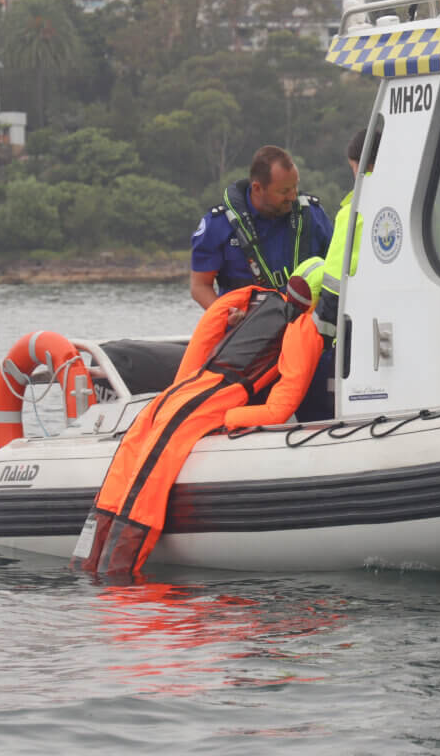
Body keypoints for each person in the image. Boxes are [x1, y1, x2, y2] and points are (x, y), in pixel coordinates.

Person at [72, 275, 328, 581]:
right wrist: (230, 418)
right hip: (217, 395)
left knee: (128, 462)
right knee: (151, 477)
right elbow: (280, 408)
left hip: (182, 391)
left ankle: (89, 566)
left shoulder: (253, 299)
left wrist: (182, 386)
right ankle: (118, 575)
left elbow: (208, 328)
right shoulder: (301, 327)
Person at [292, 128, 378, 422]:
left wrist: (320, 345)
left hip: (356, 336)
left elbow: (334, 285)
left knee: (318, 394)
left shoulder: (353, 212)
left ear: (359, 164)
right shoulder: (421, 201)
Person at [190, 145, 332, 310]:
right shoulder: (218, 224)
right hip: (246, 327)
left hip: (302, 328)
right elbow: (200, 286)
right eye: (284, 191)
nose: (293, 196)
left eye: (295, 186)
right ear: (257, 188)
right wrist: (227, 314)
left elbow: (338, 272)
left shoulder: (313, 216)